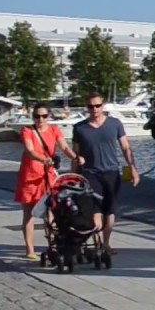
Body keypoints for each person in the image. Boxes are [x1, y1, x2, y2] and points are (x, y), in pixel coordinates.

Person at [71, 93, 139, 254]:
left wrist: (133, 169)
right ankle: (98, 242)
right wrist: (73, 177)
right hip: (90, 174)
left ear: (103, 106)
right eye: (90, 106)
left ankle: (106, 243)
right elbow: (75, 155)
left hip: (111, 173)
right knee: (96, 211)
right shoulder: (79, 128)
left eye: (97, 106)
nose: (94, 109)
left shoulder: (114, 124)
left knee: (110, 210)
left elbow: (125, 147)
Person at [14, 104, 81, 261]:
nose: (41, 119)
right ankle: (29, 249)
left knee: (52, 211)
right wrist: (43, 159)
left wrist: (75, 157)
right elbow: (30, 151)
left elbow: (64, 146)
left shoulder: (53, 130)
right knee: (29, 213)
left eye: (44, 116)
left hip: (48, 175)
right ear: (33, 117)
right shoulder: (27, 131)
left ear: (49, 117)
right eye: (37, 116)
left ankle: (52, 244)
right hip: (30, 176)